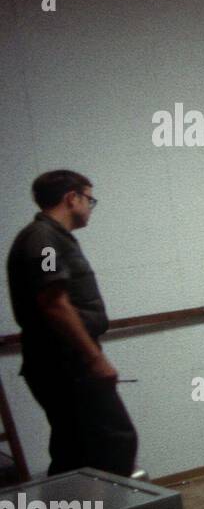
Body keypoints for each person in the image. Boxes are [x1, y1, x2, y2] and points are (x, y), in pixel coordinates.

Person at [6, 170, 138, 477]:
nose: (90, 207)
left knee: (76, 449)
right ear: (72, 198)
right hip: (65, 364)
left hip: (60, 362)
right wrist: (95, 358)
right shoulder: (46, 242)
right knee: (114, 441)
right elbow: (54, 303)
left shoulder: (51, 239)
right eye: (89, 199)